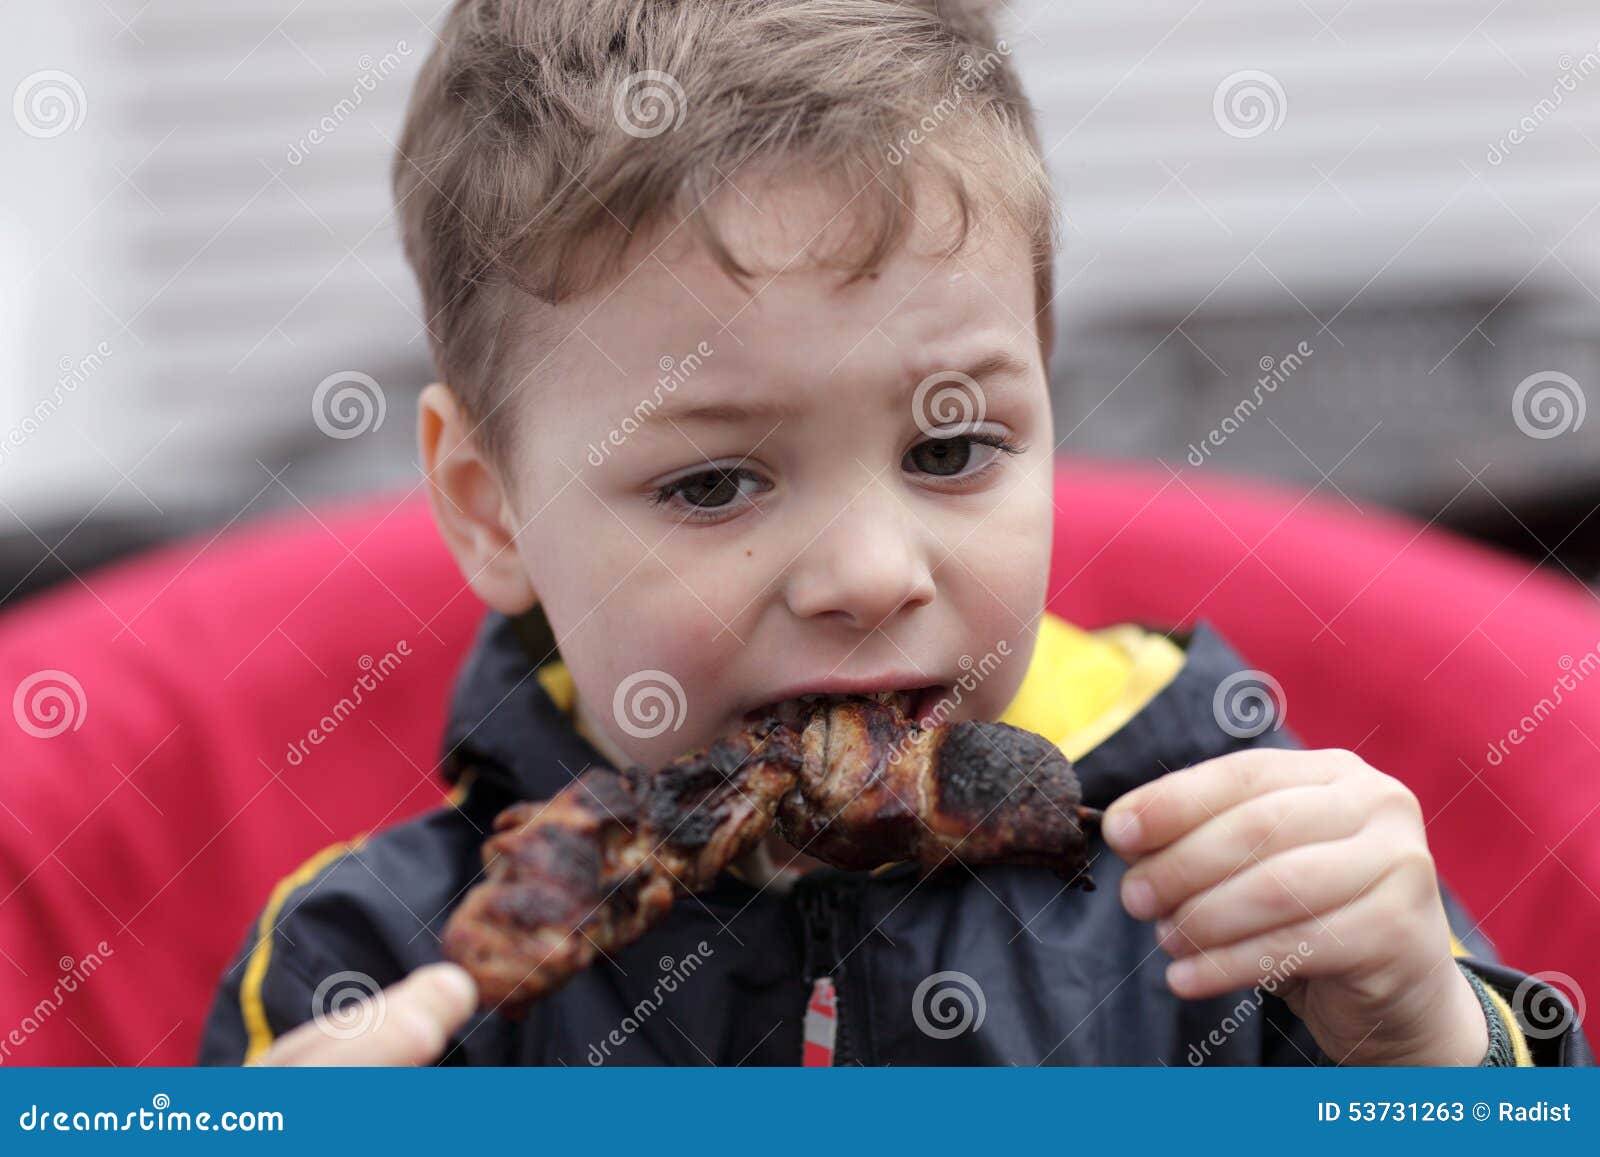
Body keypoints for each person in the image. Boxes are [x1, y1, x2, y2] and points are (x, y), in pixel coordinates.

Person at [199, 0, 1591, 1067]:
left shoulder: (1240, 875)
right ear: (492, 509)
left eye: (948, 449)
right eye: (712, 484)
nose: (870, 574)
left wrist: (1428, 1041)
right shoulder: (368, 963)